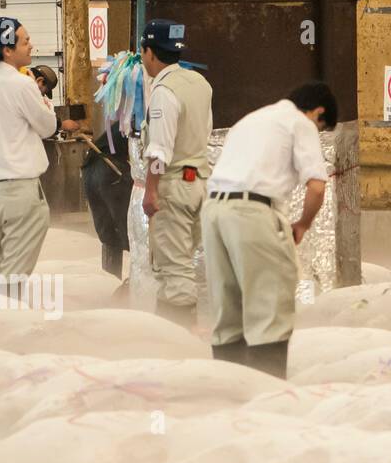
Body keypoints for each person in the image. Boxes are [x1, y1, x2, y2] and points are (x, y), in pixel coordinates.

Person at [201, 82, 337, 378]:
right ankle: (268, 397)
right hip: (252, 213)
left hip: (213, 213)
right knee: (269, 309)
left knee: (228, 316)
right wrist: (303, 224)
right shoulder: (300, 123)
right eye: (321, 125)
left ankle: (227, 393)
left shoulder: (251, 120)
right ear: (318, 112)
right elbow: (316, 186)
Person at [0, 16, 56, 289]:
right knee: (13, 276)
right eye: (26, 41)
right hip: (21, 191)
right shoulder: (21, 84)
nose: (31, 46)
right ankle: (3, 325)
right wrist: (41, 96)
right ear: (7, 49)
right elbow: (47, 127)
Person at [138, 19, 213, 328]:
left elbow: (159, 150)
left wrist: (151, 189)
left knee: (173, 269)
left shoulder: (164, 91)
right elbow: (205, 131)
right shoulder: (199, 83)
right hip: (199, 183)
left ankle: (175, 341)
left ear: (149, 52)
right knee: (185, 264)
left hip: (174, 185)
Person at [83, 122, 134, 280]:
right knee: (130, 230)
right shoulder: (140, 121)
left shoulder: (125, 121)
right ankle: (137, 283)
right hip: (110, 169)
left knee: (109, 233)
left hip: (90, 170)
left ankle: (110, 280)